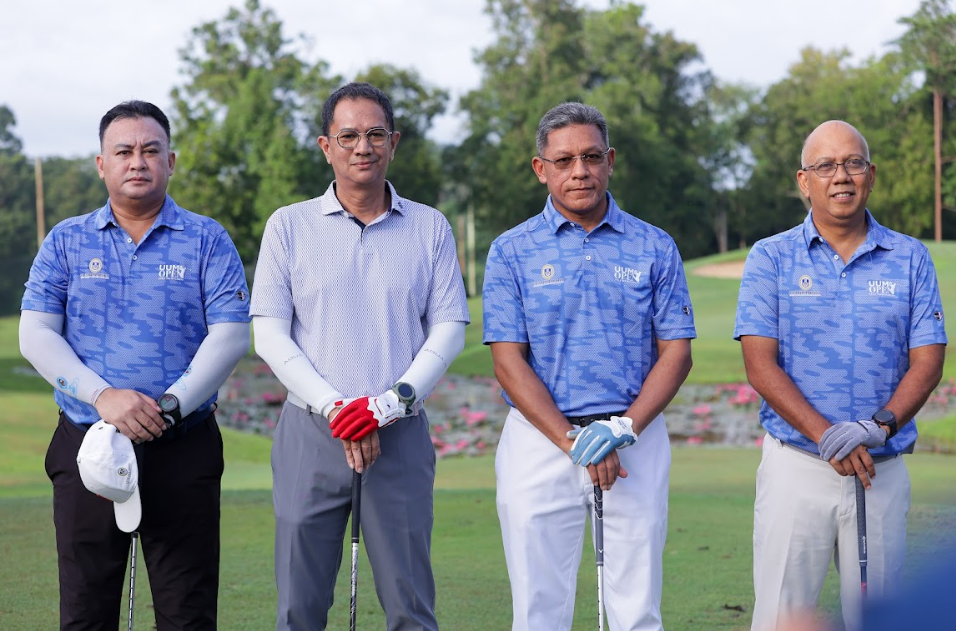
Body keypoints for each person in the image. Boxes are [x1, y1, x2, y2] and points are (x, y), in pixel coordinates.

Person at [19, 100, 251, 630]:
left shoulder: (206, 238)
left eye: (150, 150)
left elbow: (231, 335)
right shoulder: (67, 240)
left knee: (186, 613)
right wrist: (105, 396)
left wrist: (167, 408)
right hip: (87, 445)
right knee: (85, 612)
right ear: (102, 164)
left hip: (182, 446)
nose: (137, 161)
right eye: (123, 151)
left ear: (171, 160)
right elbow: (35, 333)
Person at [250, 82, 470, 631]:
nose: (362, 146)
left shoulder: (430, 227)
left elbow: (447, 331)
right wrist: (338, 409)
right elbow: (270, 336)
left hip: (399, 435)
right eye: (348, 135)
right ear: (326, 146)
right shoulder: (288, 226)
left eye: (375, 134)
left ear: (393, 142)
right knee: (298, 609)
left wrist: (385, 407)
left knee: (410, 607)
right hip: (311, 435)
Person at [482, 102, 696, 631]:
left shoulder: (655, 245)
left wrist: (620, 429)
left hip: (634, 438)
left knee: (636, 608)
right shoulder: (510, 250)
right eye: (564, 160)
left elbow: (677, 351)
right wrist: (571, 440)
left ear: (610, 160)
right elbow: (509, 361)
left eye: (591, 156)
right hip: (539, 441)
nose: (580, 170)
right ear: (541, 168)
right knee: (537, 609)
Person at [734, 120, 947, 631]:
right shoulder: (771, 257)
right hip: (797, 468)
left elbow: (928, 359)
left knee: (879, 619)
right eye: (825, 166)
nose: (841, 176)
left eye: (853, 163)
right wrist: (826, 433)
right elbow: (760, 364)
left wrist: (880, 425)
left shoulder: (911, 257)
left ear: (870, 175)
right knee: (782, 616)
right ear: (804, 181)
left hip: (881, 467)